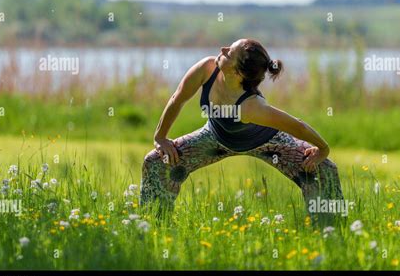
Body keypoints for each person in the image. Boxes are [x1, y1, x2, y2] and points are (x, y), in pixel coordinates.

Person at [141, 38, 343, 224]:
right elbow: (178, 98)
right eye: (229, 47)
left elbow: (297, 126)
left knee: (324, 169)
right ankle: (154, 226)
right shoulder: (207, 68)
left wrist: (322, 149)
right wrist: (160, 137)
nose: (223, 49)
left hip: (267, 143)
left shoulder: (252, 107)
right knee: (157, 162)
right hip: (215, 138)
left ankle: (329, 231)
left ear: (238, 73)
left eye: (230, 53)